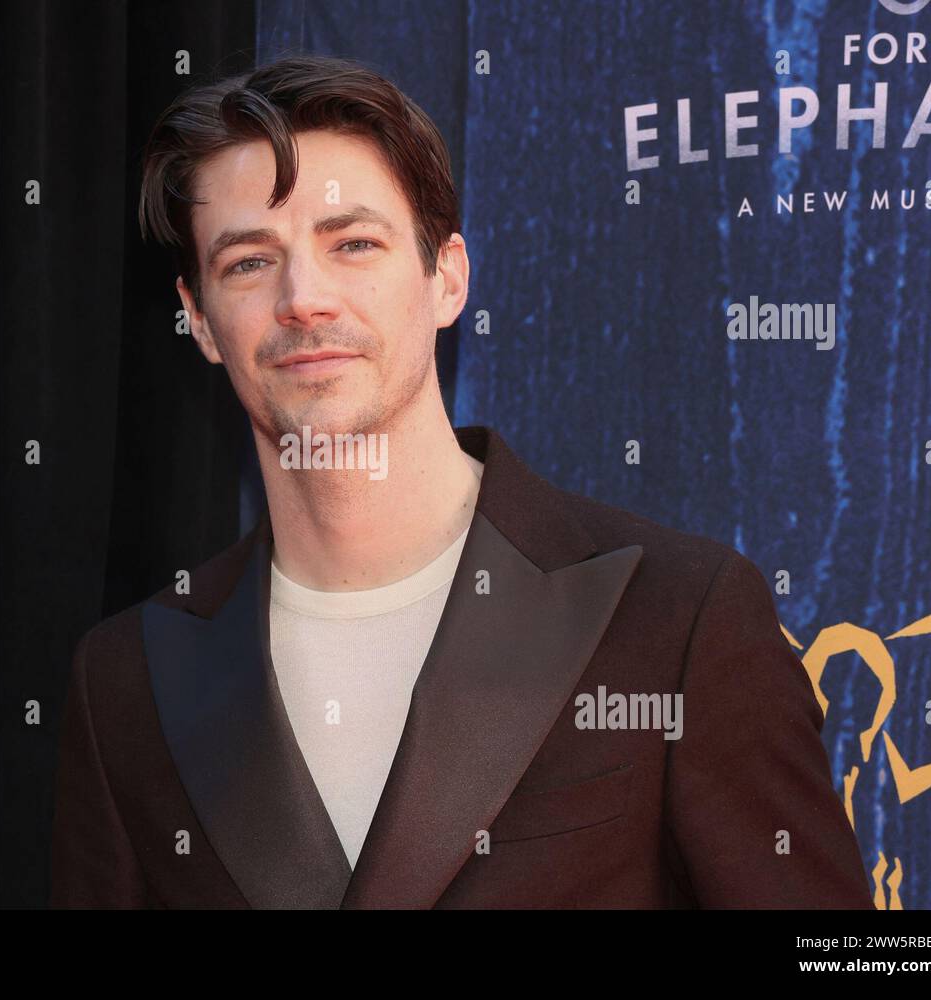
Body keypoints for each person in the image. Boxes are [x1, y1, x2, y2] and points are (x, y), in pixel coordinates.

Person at [48, 53, 873, 908]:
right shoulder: (126, 683)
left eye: (354, 244)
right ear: (200, 321)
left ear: (447, 278)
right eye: (250, 262)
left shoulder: (676, 620)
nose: (304, 298)